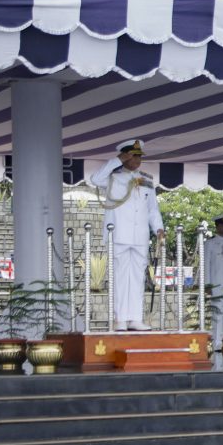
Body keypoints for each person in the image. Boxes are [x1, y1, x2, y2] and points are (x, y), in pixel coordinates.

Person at [89, 139, 164, 331]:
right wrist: (116, 161)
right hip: (119, 234)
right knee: (120, 277)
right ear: (124, 156)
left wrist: (158, 229)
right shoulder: (113, 177)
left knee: (138, 277)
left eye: (139, 156)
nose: (137, 159)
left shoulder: (147, 180)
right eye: (133, 155)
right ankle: (120, 318)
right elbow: (94, 179)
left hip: (139, 236)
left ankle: (135, 318)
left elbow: (153, 209)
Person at [204, 217, 223, 351]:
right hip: (216, 283)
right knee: (217, 313)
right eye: (222, 225)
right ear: (217, 226)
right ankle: (217, 341)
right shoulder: (210, 243)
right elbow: (206, 264)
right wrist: (207, 285)